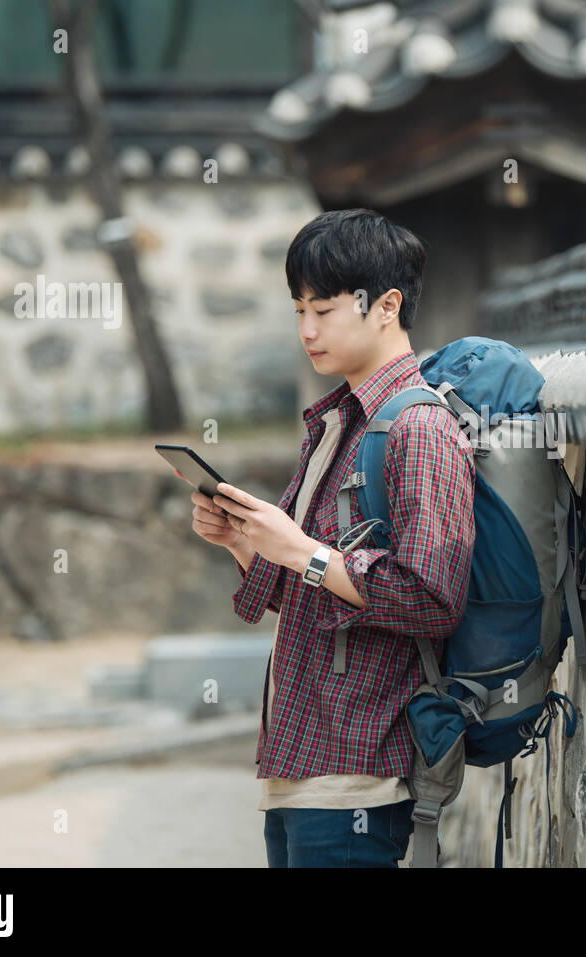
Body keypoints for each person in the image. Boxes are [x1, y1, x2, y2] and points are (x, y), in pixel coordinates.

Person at [178, 208, 476, 866]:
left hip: (358, 778)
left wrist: (302, 551)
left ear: (386, 305)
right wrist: (244, 544)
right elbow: (322, 592)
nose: (307, 329)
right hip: (300, 765)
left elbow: (432, 598)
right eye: (298, 311)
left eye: (325, 308)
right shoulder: (341, 421)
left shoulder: (418, 429)